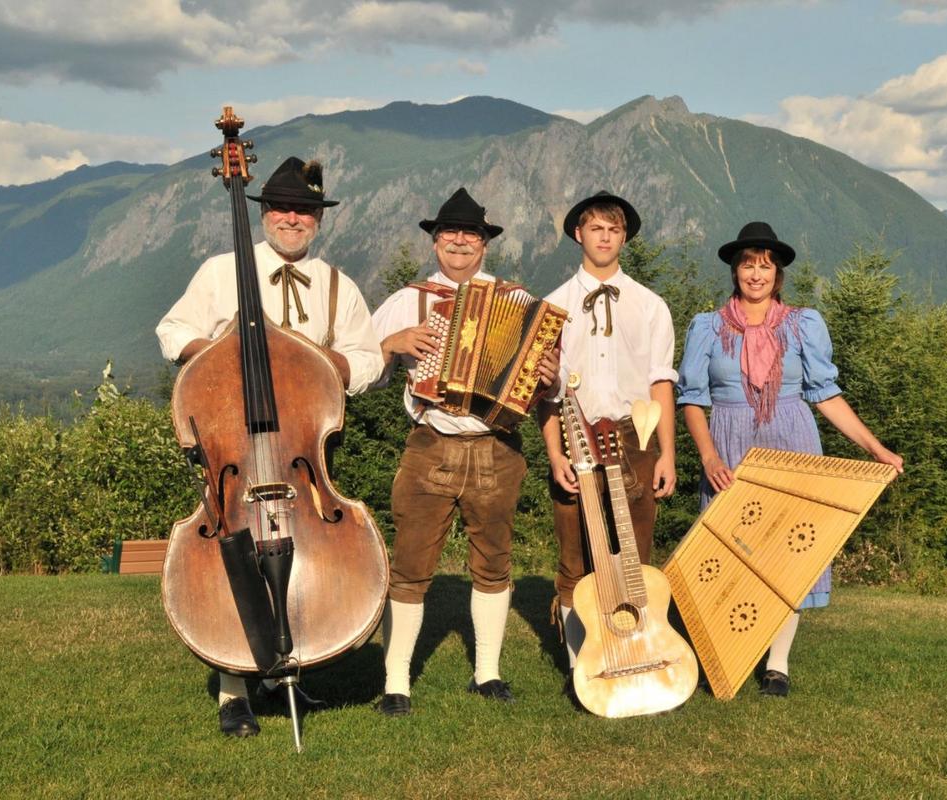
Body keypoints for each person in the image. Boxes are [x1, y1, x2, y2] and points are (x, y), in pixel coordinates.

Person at [155, 156, 384, 737]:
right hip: (234, 443)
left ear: (318, 219)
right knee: (232, 554)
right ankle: (233, 691)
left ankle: (288, 665)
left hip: (304, 453)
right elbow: (172, 332)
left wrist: (323, 364)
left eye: (304, 210)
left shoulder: (338, 285)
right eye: (282, 208)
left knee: (306, 547)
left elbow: (370, 359)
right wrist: (216, 356)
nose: (292, 218)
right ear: (262, 214)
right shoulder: (221, 271)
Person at [676, 220, 903, 697]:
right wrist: (709, 456)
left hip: (793, 443)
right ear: (735, 271)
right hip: (731, 448)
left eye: (765, 266)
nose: (756, 274)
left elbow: (825, 395)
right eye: (747, 265)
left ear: (777, 274)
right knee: (730, 552)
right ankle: (725, 653)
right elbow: (692, 400)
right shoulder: (707, 327)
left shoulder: (803, 324)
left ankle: (776, 665)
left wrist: (875, 448)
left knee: (789, 553)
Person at [370, 187, 559, 716]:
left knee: (494, 562)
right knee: (410, 562)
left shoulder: (516, 300)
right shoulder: (407, 301)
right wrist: (391, 344)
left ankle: (487, 674)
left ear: (484, 244)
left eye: (470, 234)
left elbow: (547, 383)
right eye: (449, 233)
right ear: (435, 242)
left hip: (497, 446)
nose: (459, 241)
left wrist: (549, 376)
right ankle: (396, 683)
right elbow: (362, 373)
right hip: (431, 442)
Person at [538, 191, 678, 682]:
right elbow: (543, 392)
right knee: (574, 554)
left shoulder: (650, 306)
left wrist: (666, 454)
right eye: (595, 228)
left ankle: (635, 655)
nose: (604, 237)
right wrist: (554, 453)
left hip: (634, 435)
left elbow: (661, 383)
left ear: (624, 238)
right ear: (578, 234)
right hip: (573, 434)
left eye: (613, 230)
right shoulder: (552, 305)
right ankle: (581, 664)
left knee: (634, 554)